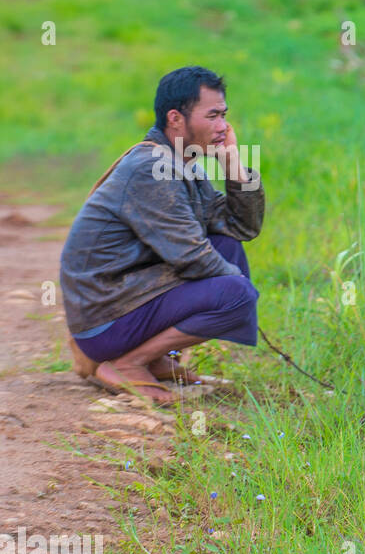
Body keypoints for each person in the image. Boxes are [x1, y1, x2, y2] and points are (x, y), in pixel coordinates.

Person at [60, 66, 265, 405]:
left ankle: (155, 359)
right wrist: (242, 292)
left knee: (228, 246)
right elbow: (192, 257)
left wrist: (234, 166)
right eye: (212, 116)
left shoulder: (182, 163)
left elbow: (240, 228)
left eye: (224, 115)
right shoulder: (151, 169)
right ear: (175, 118)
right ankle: (129, 363)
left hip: (126, 303)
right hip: (104, 321)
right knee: (236, 292)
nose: (223, 127)